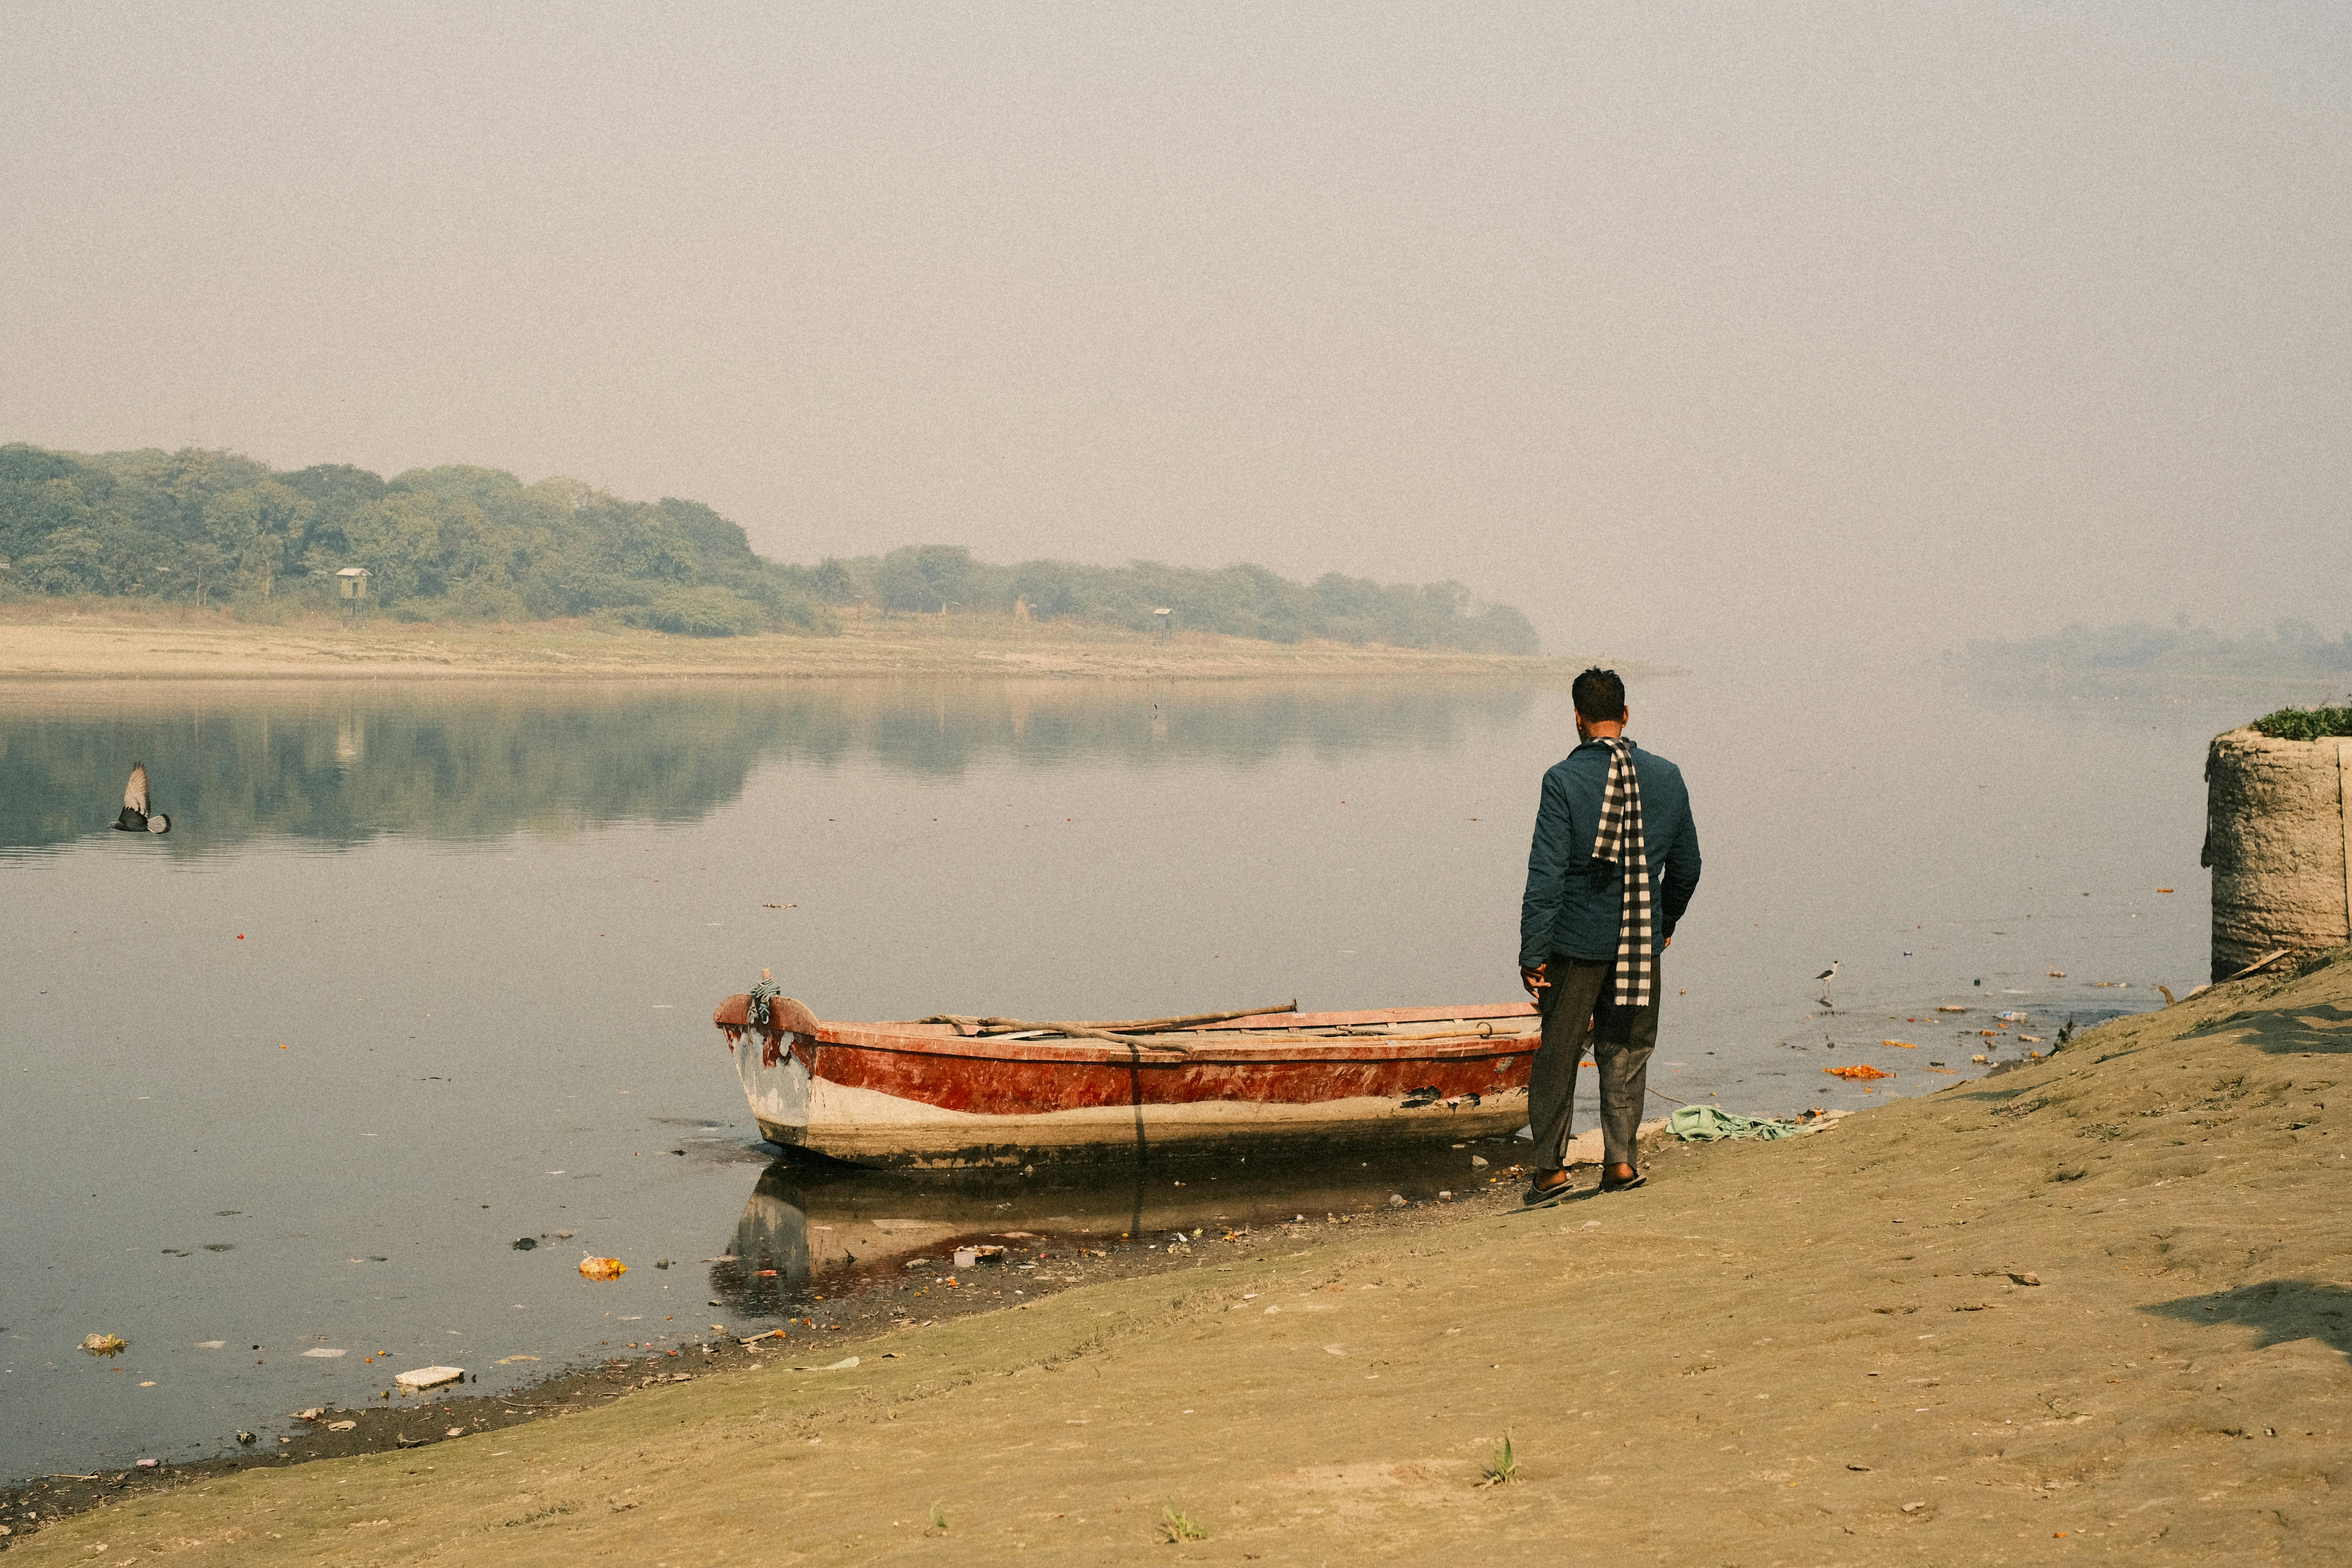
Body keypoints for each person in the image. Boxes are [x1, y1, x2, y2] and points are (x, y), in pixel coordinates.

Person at [1516, 668, 1701, 1205]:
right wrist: (1662, 923)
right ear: (1626, 714)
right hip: (1640, 939)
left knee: (1559, 1053)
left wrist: (1533, 951)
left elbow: (1547, 875)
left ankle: (1550, 1171)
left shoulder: (1564, 781)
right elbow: (1687, 866)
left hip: (1577, 943)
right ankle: (1620, 1162)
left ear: (1577, 718)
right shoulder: (1666, 776)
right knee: (1626, 1048)